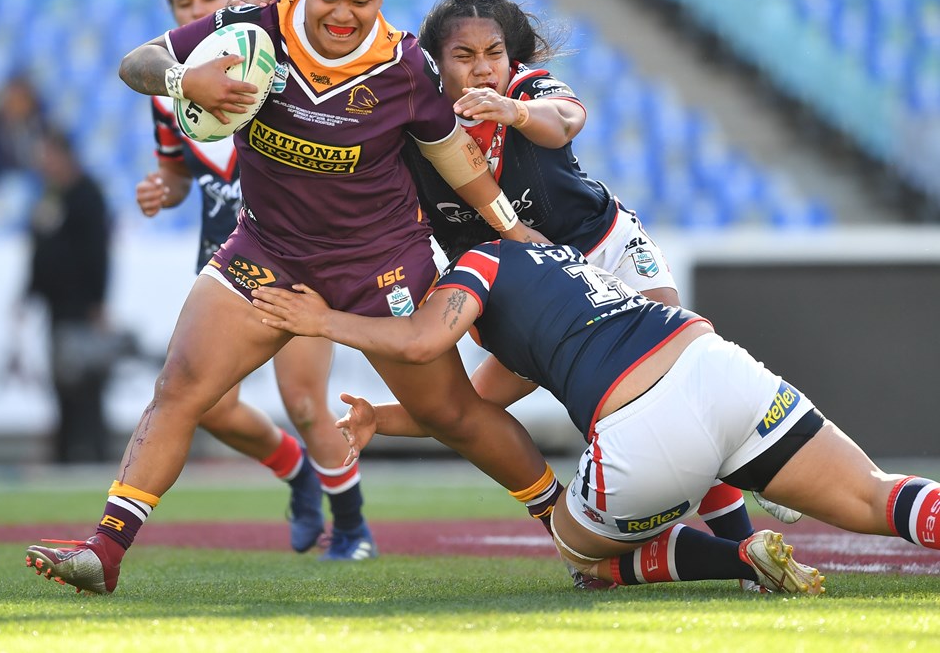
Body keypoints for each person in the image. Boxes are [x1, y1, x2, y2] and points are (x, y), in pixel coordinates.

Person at [25, 0, 545, 595]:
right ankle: (105, 551)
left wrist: (510, 226)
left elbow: (453, 156)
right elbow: (137, 62)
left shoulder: (403, 66)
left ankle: (570, 521)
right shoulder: (252, 28)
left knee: (450, 415)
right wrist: (188, 80)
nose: (342, 12)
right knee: (180, 387)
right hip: (266, 252)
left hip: (380, 264)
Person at [252, 238, 940, 594]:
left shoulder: (478, 265)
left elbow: (425, 340)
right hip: (717, 366)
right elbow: (472, 405)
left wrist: (324, 321)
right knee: (873, 494)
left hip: (644, 425)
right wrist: (386, 416)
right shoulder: (550, 269)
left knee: (580, 555)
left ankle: (740, 557)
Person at [411, 0, 796, 549]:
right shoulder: (416, 132)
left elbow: (565, 121)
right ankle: (577, 516)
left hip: (605, 248)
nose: (483, 68)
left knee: (679, 381)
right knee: (468, 409)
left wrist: (509, 111)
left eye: (494, 53)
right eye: (463, 57)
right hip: (528, 289)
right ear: (437, 66)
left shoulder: (531, 88)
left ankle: (747, 502)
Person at [138, 0, 371, 559]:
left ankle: (350, 525)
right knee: (207, 406)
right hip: (222, 256)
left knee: (302, 398)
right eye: (183, 3)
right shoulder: (172, 93)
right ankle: (295, 470)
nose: (196, 9)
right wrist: (166, 186)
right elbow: (182, 169)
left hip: (295, 252)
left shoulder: (280, 67)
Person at [23, 129, 116, 463]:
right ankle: (65, 450)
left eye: (48, 156)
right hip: (56, 305)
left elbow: (99, 253)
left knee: (87, 380)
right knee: (61, 380)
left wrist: (99, 300)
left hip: (81, 305)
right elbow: (38, 251)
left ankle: (93, 450)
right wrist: (28, 293)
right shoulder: (50, 197)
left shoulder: (87, 195)